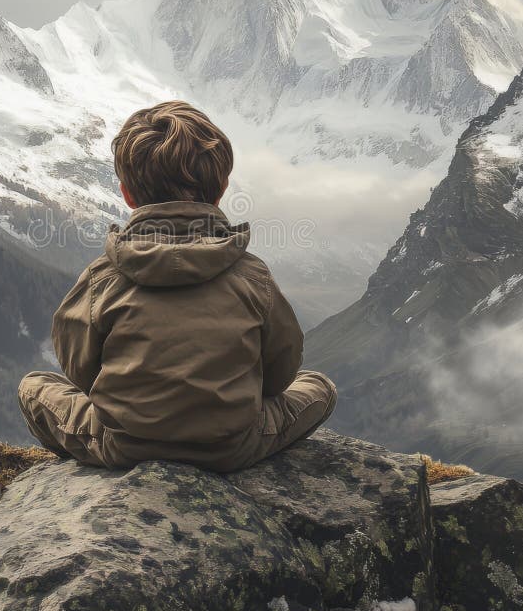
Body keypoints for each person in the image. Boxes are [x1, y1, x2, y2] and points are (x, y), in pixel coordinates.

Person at [18, 100, 336, 471]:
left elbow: (79, 371)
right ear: (220, 190)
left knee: (34, 385)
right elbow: (281, 374)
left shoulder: (101, 277)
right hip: (233, 448)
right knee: (319, 386)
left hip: (123, 447)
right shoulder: (253, 277)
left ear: (127, 194)